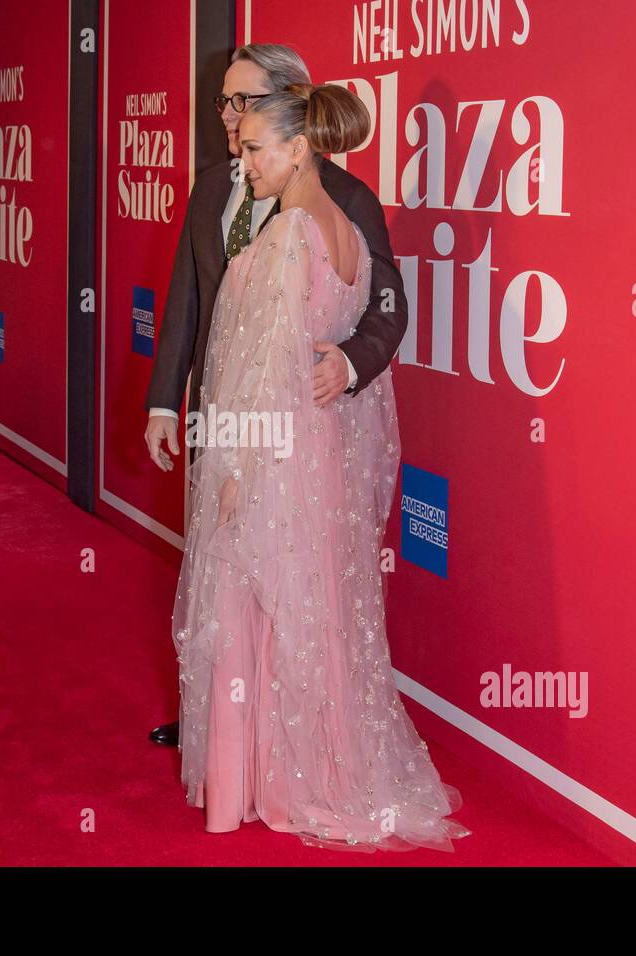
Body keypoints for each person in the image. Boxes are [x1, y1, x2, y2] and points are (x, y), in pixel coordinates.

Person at [170, 83, 469, 851]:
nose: (245, 161)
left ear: (298, 147)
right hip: (322, 461)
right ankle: (320, 769)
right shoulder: (345, 234)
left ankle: (257, 786)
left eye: (255, 148)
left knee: (257, 613)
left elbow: (261, 370)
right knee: (317, 615)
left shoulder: (291, 236)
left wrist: (231, 469)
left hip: (272, 457)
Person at [143, 44, 409, 748]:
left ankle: (274, 736)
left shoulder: (345, 198)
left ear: (288, 103)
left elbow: (389, 306)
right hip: (218, 417)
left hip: (292, 433)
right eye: (224, 102)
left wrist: (349, 363)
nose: (229, 116)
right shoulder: (209, 187)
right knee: (219, 572)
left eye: (244, 100)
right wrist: (165, 403)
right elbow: (186, 304)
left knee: (280, 574)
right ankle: (220, 720)